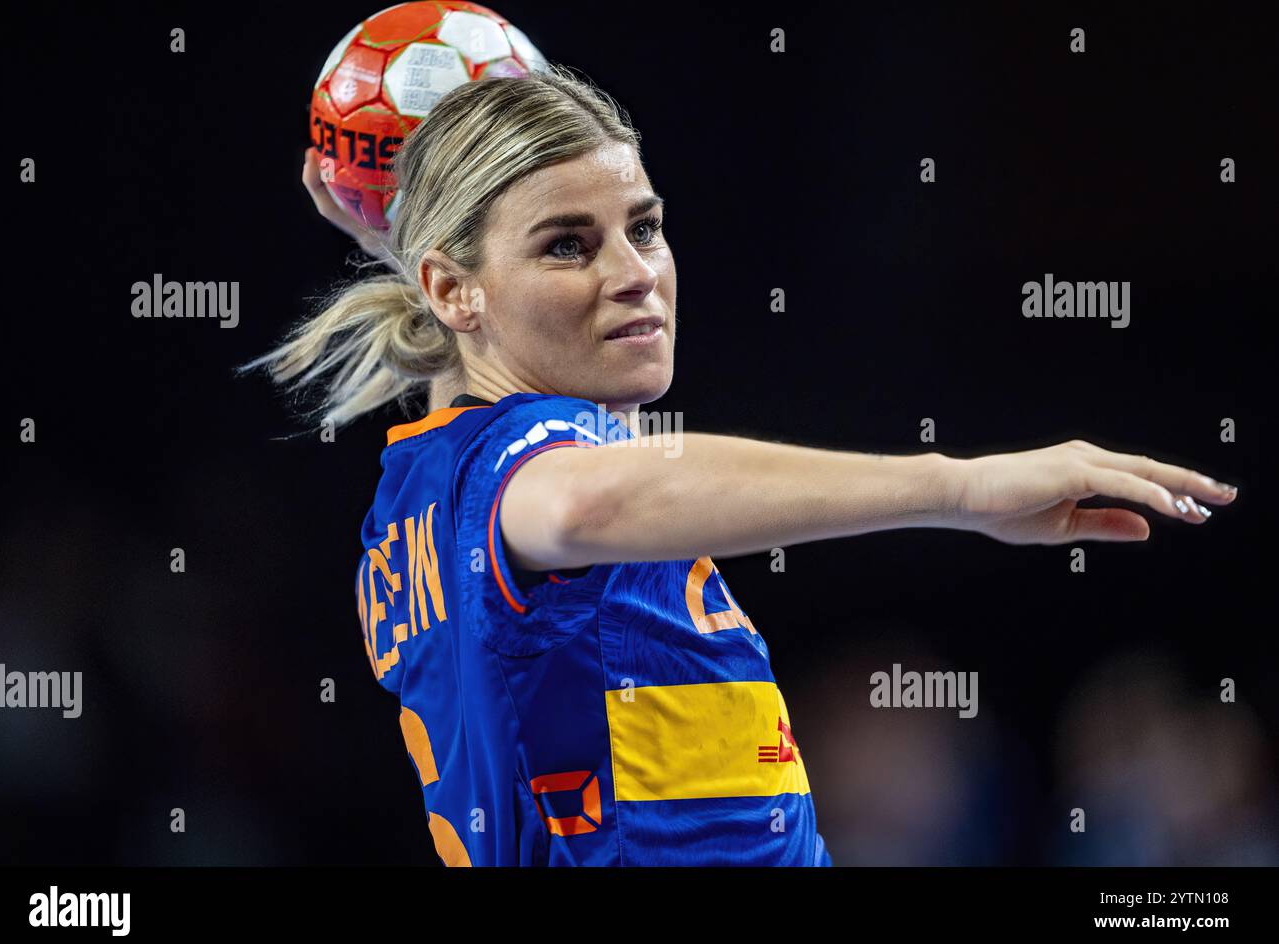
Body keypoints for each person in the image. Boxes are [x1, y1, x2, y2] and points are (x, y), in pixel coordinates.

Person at [253, 65, 1237, 866]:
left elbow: (496, 394)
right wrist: (963, 487)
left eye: (643, 226)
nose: (635, 272)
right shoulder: (528, 472)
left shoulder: (426, 482)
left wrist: (393, 235)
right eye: (566, 245)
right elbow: (584, 496)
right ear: (452, 289)